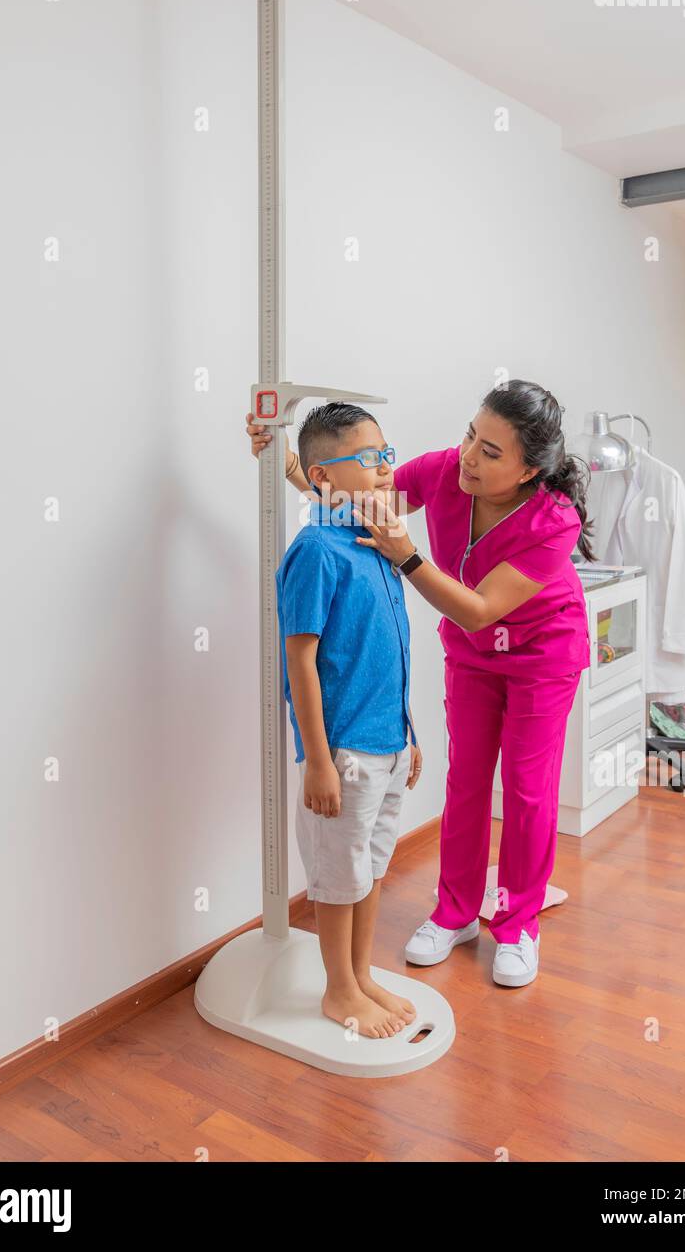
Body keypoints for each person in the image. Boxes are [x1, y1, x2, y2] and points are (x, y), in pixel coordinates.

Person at [248, 378, 592, 990]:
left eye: (491, 452)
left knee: (528, 789)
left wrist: (407, 556)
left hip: (541, 652)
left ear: (528, 470)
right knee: (464, 781)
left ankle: (516, 924)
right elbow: (354, 497)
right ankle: (455, 912)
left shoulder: (553, 519)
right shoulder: (442, 472)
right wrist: (288, 460)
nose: (468, 457)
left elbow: (481, 609)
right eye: (470, 436)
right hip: (471, 656)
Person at [274, 401, 423, 1039]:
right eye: (369, 459)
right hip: (344, 754)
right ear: (323, 476)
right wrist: (316, 760)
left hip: (389, 743)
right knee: (338, 878)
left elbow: (390, 646)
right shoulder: (315, 550)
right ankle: (338, 992)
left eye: (387, 453)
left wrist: (411, 732)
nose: (387, 468)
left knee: (372, 868)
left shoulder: (375, 537)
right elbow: (300, 662)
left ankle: (362, 975)